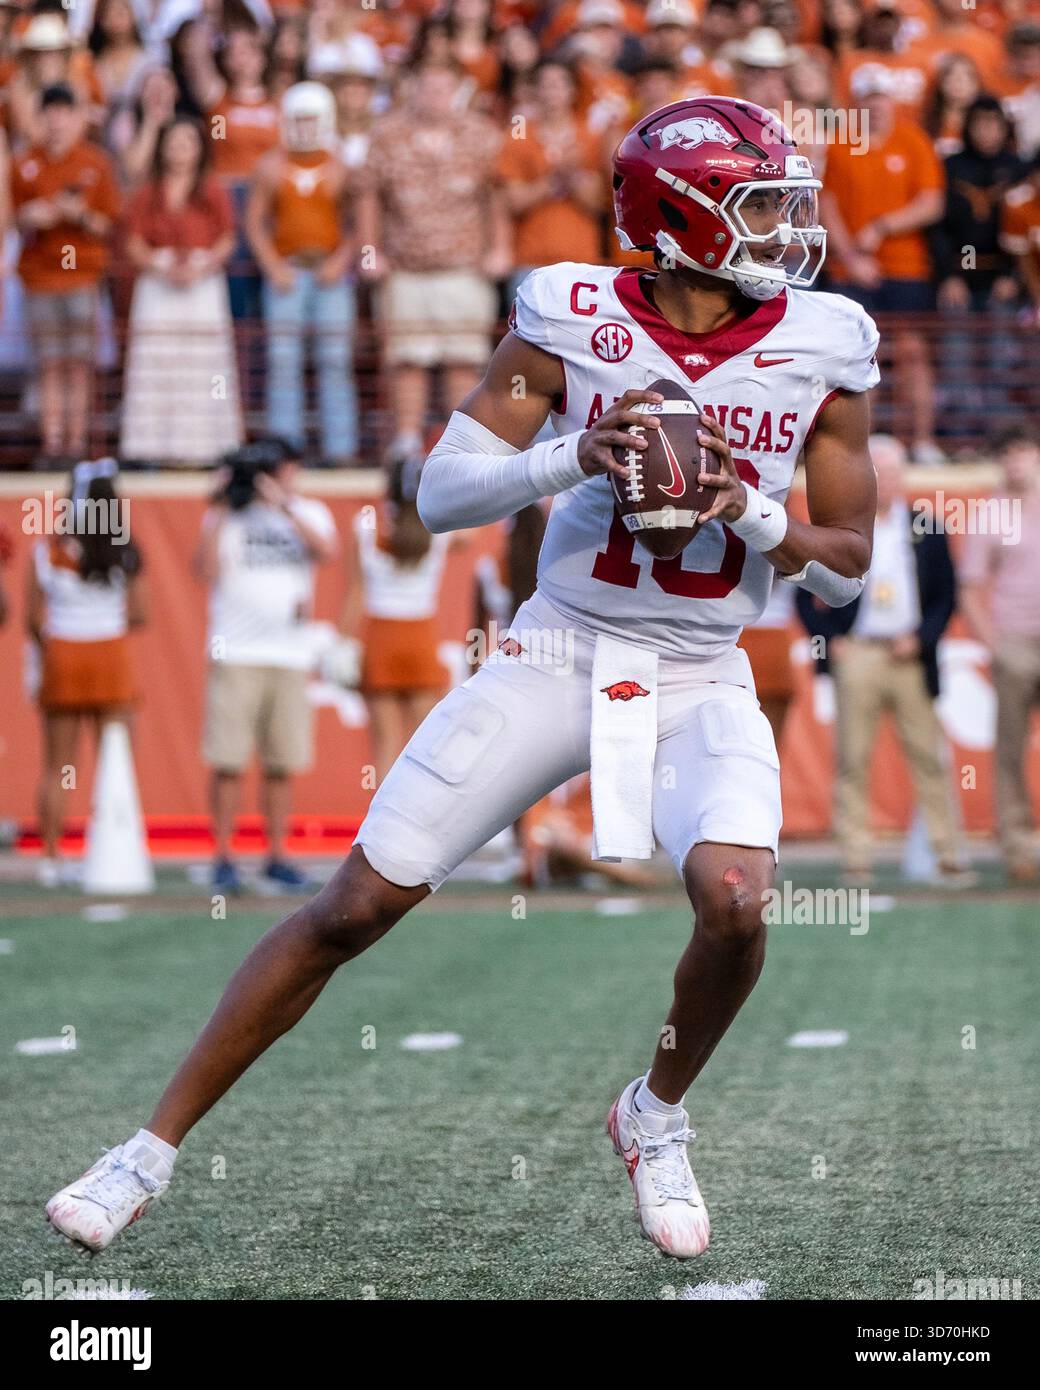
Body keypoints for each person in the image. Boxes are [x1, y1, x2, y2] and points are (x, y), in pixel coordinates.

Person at [47, 97, 880, 1264]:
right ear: (678, 216)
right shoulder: (572, 314)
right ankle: (144, 1150)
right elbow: (438, 494)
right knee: (353, 907)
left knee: (737, 901)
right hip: (558, 648)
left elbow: (845, 570)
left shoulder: (823, 340)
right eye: (759, 204)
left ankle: (654, 1115)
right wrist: (572, 452)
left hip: (697, 667)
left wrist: (745, 505)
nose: (789, 228)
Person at [796, 435, 970, 887]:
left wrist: (922, 638)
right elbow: (802, 585)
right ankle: (856, 859)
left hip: (910, 655)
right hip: (861, 652)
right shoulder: (844, 527)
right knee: (853, 757)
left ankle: (946, 855)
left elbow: (946, 596)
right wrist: (829, 639)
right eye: (878, 472)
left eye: (894, 471)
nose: (887, 480)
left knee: (928, 757)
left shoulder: (926, 527)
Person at [194, 439, 338, 896]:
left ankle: (276, 855)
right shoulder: (228, 514)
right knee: (228, 760)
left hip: (289, 653)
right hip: (236, 651)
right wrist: (219, 504)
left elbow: (326, 551)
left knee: (282, 762)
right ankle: (223, 857)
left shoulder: (308, 511)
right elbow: (207, 569)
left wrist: (283, 505)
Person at [355, 59, 510, 460]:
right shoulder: (387, 134)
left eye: (443, 89)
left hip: (463, 266)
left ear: (457, 92)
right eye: (427, 88)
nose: (434, 97)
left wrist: (499, 248)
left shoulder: (480, 135)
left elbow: (495, 195)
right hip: (405, 267)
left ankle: (458, 446)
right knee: (407, 359)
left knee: (463, 358)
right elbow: (369, 195)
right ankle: (407, 445)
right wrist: (370, 251)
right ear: (412, 90)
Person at [26, 459, 146, 887]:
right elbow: (139, 613)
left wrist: (54, 649)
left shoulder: (49, 547)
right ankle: (111, 851)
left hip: (63, 657)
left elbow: (33, 619)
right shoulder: (124, 547)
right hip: (110, 658)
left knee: (57, 765)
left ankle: (51, 859)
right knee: (113, 761)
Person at [821, 75, 945, 461]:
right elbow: (829, 206)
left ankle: (921, 441)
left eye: (882, 98)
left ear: (893, 102)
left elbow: (931, 202)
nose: (876, 106)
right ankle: (862, 445)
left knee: (912, 351)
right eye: (868, 99)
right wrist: (852, 259)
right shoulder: (841, 145)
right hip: (851, 270)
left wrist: (882, 226)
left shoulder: (913, 140)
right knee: (856, 357)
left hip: (905, 267)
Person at [246, 82, 358, 466]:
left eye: (312, 120)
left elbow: (356, 223)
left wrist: (340, 261)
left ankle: (340, 448)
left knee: (335, 359)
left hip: (330, 274)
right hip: (288, 273)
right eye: (299, 120)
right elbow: (255, 223)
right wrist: (272, 266)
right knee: (282, 360)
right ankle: (283, 448)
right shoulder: (270, 166)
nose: (306, 128)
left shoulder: (341, 165)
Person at [120, 115, 242, 467]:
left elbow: (227, 238)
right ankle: (151, 448)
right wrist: (163, 267)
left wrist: (200, 267)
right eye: (173, 142)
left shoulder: (213, 189)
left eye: (188, 142)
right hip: (158, 285)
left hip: (202, 285)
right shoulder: (148, 191)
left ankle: (203, 449)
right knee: (158, 361)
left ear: (200, 148)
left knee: (202, 363)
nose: (180, 150)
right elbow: (132, 242)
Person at [10, 83, 120, 468]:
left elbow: (110, 225)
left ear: (78, 118)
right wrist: (33, 215)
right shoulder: (24, 164)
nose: (56, 121)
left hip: (83, 277)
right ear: (40, 118)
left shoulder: (95, 163)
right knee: (49, 363)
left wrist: (80, 216)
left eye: (64, 112)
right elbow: (11, 217)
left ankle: (76, 443)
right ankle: (52, 445)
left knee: (79, 362)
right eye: (50, 113)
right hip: (39, 277)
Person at [959, 427, 1040, 884]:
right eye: (1007, 453)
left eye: (1023, 450)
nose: (1016, 461)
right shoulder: (990, 513)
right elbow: (970, 588)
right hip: (1015, 643)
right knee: (1010, 751)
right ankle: (1017, 848)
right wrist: (994, 645)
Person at [340, 457, 452, 785]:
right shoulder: (439, 527)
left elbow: (355, 593)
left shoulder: (365, 527)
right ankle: (425, 823)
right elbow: (470, 533)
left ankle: (382, 830)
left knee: (386, 744)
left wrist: (342, 642)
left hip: (380, 638)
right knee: (425, 743)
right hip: (420, 636)